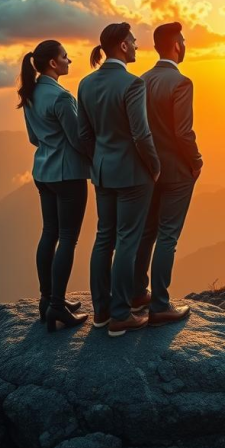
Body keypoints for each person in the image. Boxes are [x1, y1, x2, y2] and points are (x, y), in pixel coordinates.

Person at [77, 23, 161, 338]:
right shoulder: (132, 84)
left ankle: (101, 312)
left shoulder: (84, 84)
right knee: (128, 240)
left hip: (101, 172)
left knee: (104, 239)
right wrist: (154, 167)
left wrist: (99, 160)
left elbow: (84, 135)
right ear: (123, 46)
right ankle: (122, 315)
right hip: (132, 175)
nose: (138, 46)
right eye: (134, 42)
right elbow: (141, 134)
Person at [18, 40, 90, 333]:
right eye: (65, 57)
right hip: (68, 174)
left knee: (49, 233)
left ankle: (47, 300)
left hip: (42, 171)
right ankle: (58, 306)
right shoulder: (62, 97)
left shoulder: (30, 93)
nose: (69, 61)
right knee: (68, 238)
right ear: (52, 64)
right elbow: (77, 140)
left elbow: (33, 138)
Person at [134, 22, 200, 326]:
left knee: (146, 232)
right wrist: (196, 161)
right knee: (168, 236)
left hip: (147, 171)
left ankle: (137, 292)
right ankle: (160, 304)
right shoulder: (181, 82)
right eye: (183, 41)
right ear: (176, 45)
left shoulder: (141, 80)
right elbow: (183, 132)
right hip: (175, 170)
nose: (185, 45)